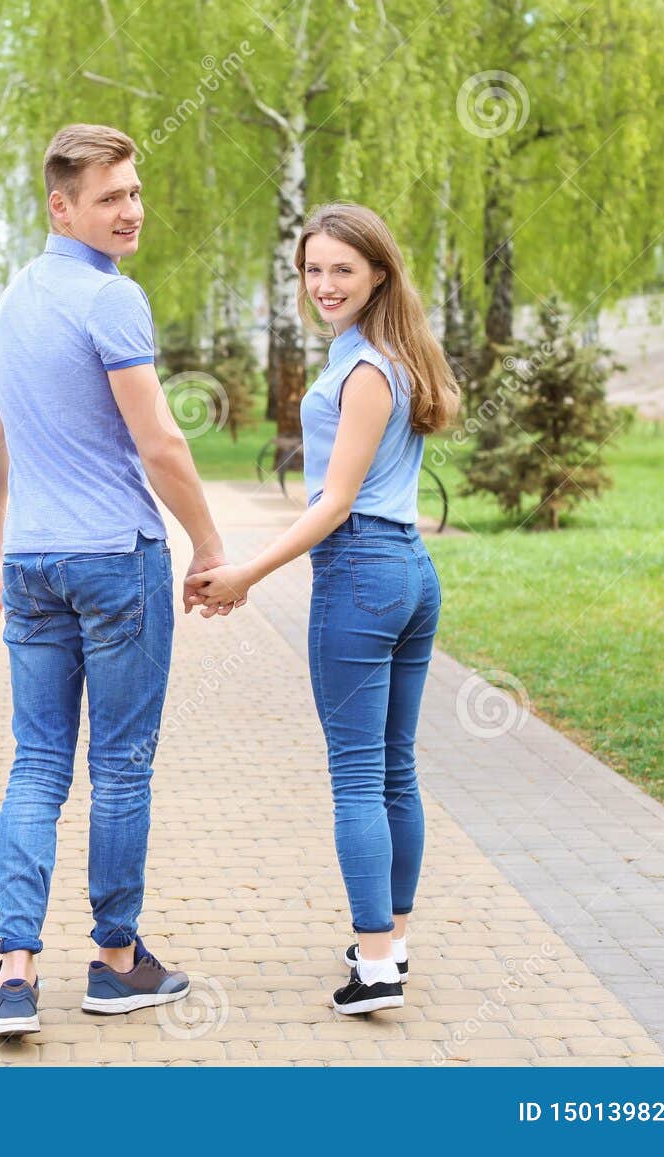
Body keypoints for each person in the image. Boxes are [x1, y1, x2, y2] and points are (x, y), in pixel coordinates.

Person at [0, 123, 236, 1037]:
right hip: (116, 560)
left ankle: (14, 971)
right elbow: (159, 440)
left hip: (36, 564)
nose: (131, 211)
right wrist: (207, 543)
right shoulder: (111, 302)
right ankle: (117, 963)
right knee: (118, 766)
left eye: (134, 191)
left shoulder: (13, 300)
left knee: (37, 763)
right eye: (111, 196)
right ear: (61, 205)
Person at [189, 202, 460, 1015]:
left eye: (343, 268)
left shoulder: (370, 369)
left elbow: (336, 502)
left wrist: (246, 573)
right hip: (408, 572)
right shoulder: (382, 356)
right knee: (394, 768)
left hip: (362, 573)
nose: (324, 284)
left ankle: (376, 966)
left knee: (360, 776)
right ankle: (391, 941)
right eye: (313, 269)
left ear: (379, 272)